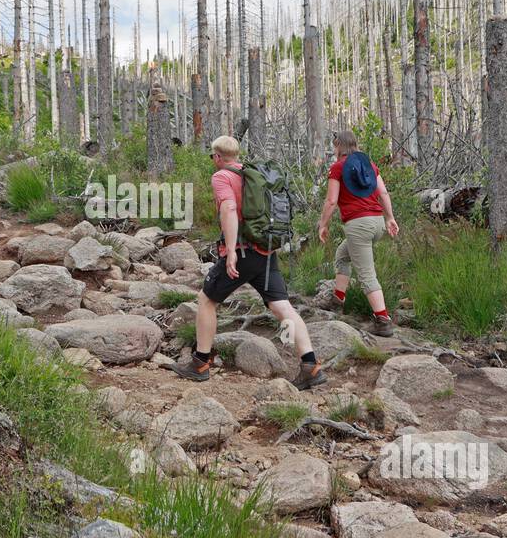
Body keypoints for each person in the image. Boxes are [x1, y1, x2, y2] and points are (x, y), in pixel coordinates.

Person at [167, 136, 327, 390]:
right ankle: (311, 365)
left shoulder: (221, 177)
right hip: (265, 251)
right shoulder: (253, 175)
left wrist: (230, 251)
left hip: (242, 251)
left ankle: (199, 363)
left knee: (206, 300)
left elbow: (229, 209)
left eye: (212, 157)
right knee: (282, 307)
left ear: (217, 157)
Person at [318, 129, 400, 337]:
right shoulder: (369, 165)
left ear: (339, 146)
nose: (334, 149)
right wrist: (389, 217)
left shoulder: (338, 167)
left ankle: (383, 321)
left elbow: (331, 201)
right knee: (342, 254)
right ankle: (338, 300)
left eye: (335, 145)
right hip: (377, 223)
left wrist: (323, 224)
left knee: (366, 274)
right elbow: (382, 192)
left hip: (358, 226)